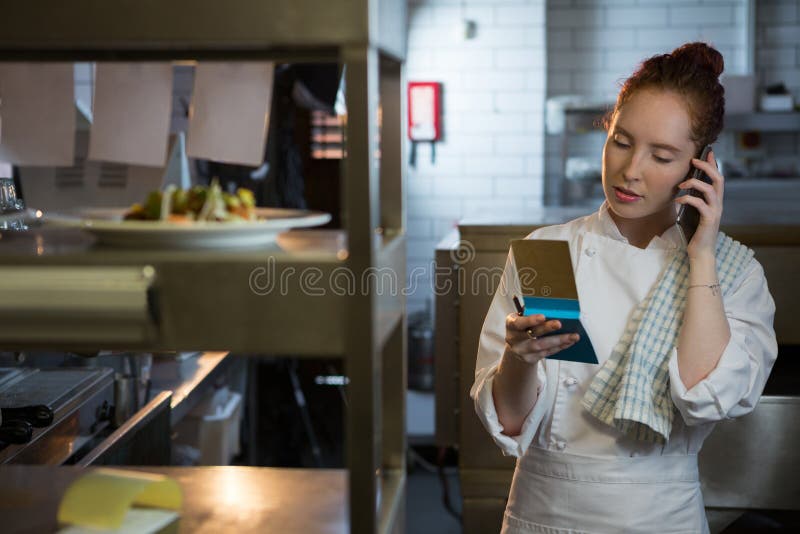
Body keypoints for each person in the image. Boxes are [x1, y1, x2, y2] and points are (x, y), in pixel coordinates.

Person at [471, 42, 778, 533]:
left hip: (660, 519)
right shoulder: (548, 252)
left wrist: (700, 254)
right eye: (620, 140)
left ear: (700, 166)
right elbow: (508, 425)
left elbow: (705, 395)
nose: (631, 170)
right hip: (539, 513)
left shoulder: (733, 274)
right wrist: (519, 359)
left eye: (662, 155)